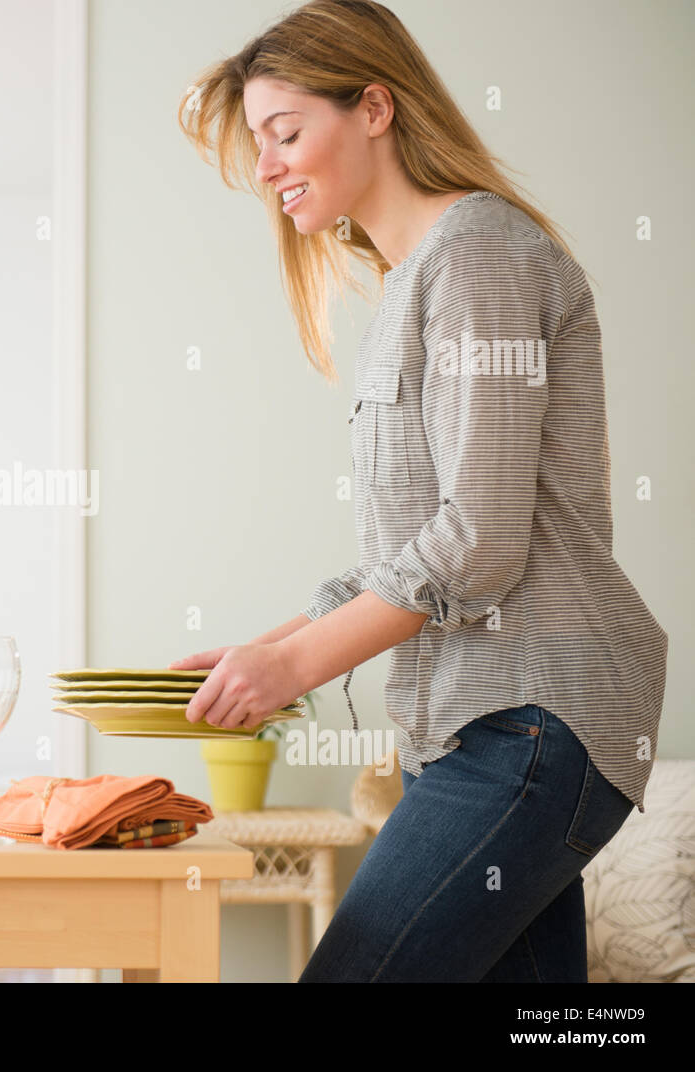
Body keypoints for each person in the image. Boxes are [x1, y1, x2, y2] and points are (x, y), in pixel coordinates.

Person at [169, 0, 668, 982]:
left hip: (530, 721)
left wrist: (296, 667)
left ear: (373, 109)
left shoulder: (476, 249)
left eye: (285, 132)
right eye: (258, 143)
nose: (265, 166)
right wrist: (266, 648)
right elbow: (412, 546)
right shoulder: (405, 284)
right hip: (490, 733)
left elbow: (477, 541)